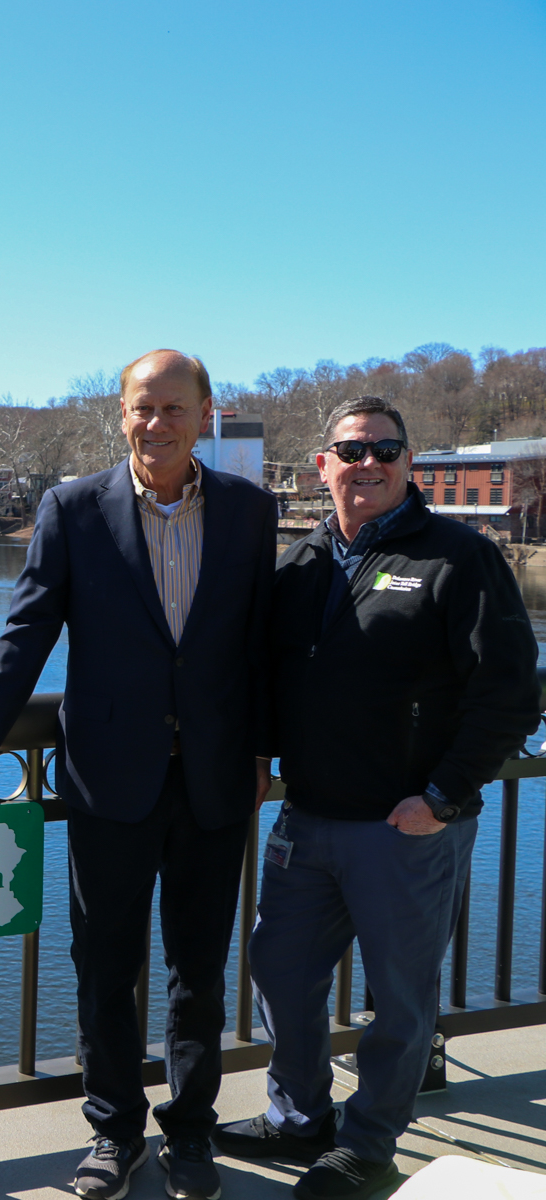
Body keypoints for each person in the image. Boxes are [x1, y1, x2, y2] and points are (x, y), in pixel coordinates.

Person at [0, 350, 278, 1200]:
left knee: (199, 972)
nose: (158, 424)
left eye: (175, 408)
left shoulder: (250, 513)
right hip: (108, 779)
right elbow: (27, 633)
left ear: (206, 412)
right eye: (143, 408)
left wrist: (264, 748)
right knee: (106, 967)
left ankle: (190, 1134)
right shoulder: (73, 509)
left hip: (217, 782)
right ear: (122, 413)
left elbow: (261, 647)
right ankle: (115, 1133)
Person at [214, 397, 539, 1200]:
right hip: (309, 816)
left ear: (408, 466)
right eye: (352, 450)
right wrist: (258, 753)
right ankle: (300, 1120)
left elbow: (512, 694)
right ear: (321, 465)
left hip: (408, 825)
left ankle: (368, 1146)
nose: (369, 463)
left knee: (400, 999)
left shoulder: (457, 557)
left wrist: (443, 794)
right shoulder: (300, 564)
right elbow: (264, 674)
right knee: (278, 967)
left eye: (386, 451)